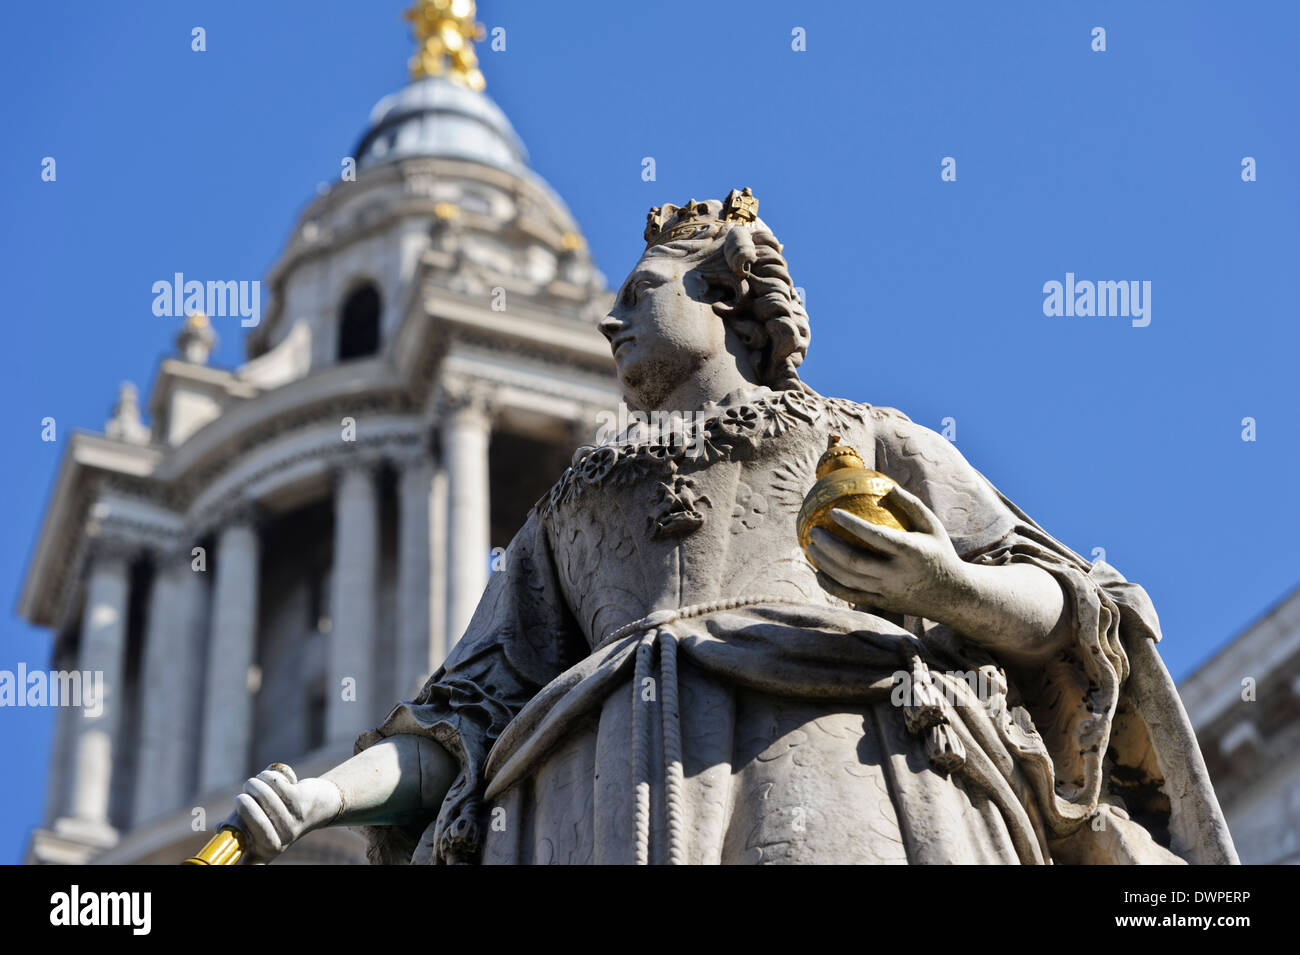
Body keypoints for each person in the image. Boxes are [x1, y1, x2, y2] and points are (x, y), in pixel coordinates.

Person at [228, 189, 1236, 865]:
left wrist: (943, 587)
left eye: (638, 296)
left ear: (726, 296)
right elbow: (458, 724)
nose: (608, 323)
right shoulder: (566, 511)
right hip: (591, 804)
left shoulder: (859, 435)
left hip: (840, 755)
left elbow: (1072, 608)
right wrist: (322, 796)